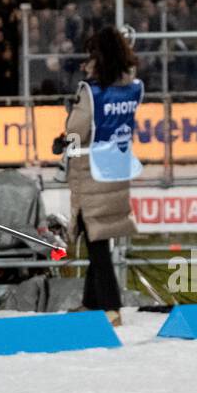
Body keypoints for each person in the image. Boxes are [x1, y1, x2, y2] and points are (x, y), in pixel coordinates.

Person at [58, 26, 143, 326]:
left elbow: (76, 130)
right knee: (99, 234)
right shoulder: (133, 88)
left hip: (91, 170)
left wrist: (62, 139)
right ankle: (92, 302)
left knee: (95, 237)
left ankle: (111, 306)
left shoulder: (91, 92)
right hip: (117, 167)